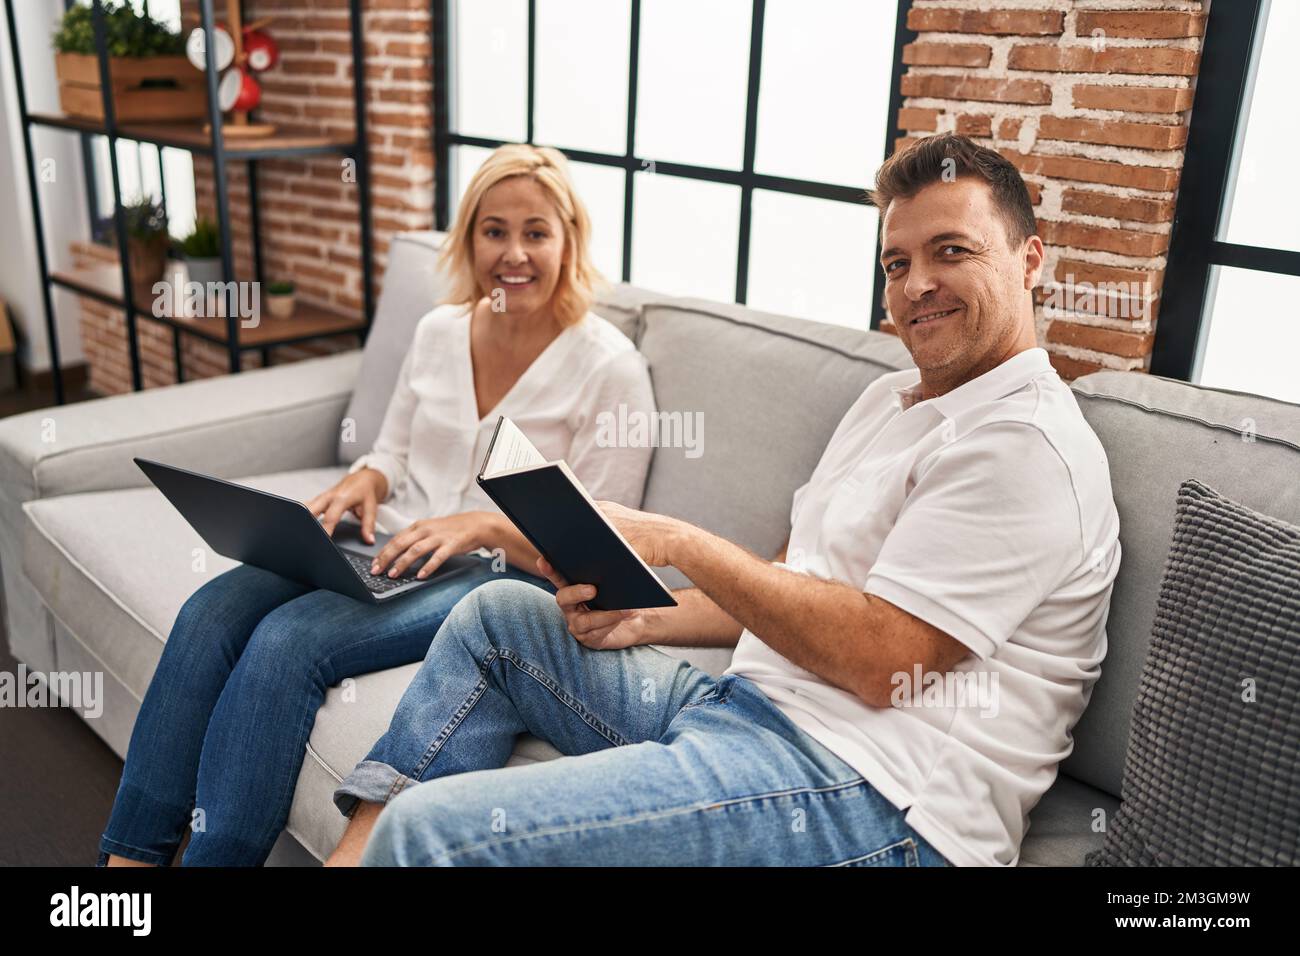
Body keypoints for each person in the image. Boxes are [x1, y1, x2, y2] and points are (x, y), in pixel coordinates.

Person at [324, 133, 1122, 868]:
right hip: (747, 712)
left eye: (952, 252)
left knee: (431, 837)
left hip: (874, 801)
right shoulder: (890, 401)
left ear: (1030, 261)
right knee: (500, 615)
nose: (917, 285)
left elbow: (886, 664)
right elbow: (787, 583)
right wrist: (652, 618)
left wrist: (680, 541)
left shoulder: (1025, 446)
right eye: (895, 263)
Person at [99, 144, 656, 866]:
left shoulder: (609, 367)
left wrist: (488, 527)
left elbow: (604, 554)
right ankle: (127, 867)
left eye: (535, 232)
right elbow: (390, 452)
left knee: (287, 641)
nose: (512, 253)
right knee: (210, 612)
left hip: (501, 580)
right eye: (494, 231)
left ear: (569, 241)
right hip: (391, 542)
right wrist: (367, 480)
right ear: (468, 239)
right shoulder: (438, 332)